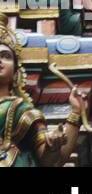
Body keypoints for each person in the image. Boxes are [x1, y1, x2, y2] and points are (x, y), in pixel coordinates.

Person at [0, 26, 87, 167]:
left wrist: (75, 114)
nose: (0, 61)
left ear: (16, 74)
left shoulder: (23, 111)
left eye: (6, 56)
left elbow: (53, 162)